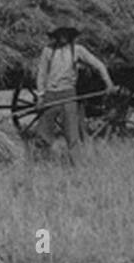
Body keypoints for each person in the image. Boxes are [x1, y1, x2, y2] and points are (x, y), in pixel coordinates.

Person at [34, 18, 112, 162]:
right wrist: (40, 96)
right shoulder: (48, 51)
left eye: (65, 33)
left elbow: (98, 64)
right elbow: (41, 74)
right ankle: (41, 164)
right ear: (56, 35)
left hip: (68, 95)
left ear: (70, 35)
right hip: (51, 96)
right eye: (60, 34)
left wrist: (108, 82)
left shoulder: (77, 50)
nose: (63, 37)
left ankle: (77, 165)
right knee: (43, 134)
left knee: (72, 135)